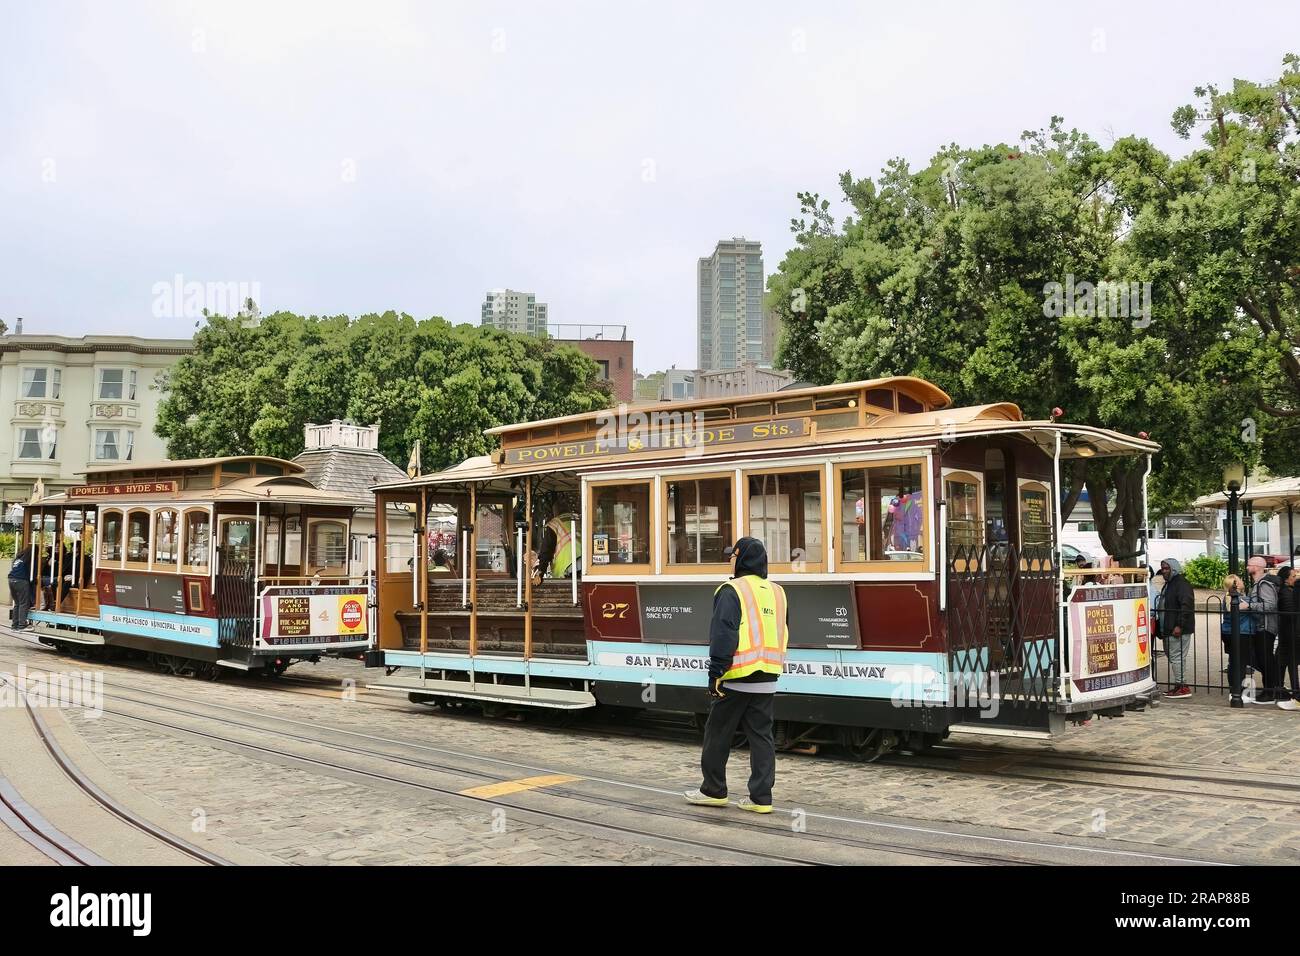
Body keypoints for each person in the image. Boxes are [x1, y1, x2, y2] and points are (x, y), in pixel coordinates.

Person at [684, 537, 789, 814]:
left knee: (718, 733)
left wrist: (715, 673)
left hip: (737, 676)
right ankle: (761, 798)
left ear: (741, 559)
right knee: (762, 737)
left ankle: (713, 790)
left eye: (732, 555)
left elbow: (724, 634)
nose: (729, 559)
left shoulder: (732, 590)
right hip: (768, 676)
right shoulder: (778, 592)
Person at [1157, 558, 1195, 698]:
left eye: (1167, 568)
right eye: (1163, 569)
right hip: (1169, 627)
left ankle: (1182, 686)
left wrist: (1179, 625)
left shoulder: (1181, 584)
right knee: (1174, 657)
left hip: (1177, 628)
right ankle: (1180, 684)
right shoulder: (1170, 584)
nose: (1164, 571)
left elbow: (1186, 605)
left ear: (1174, 568)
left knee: (1176, 656)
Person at [1246, 556, 1282, 704]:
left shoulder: (1264, 584)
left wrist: (1248, 606)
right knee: (1262, 659)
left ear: (1257, 567)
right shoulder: (1258, 584)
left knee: (1265, 659)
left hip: (1265, 626)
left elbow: (1270, 606)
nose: (1247, 567)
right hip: (1261, 626)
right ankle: (1270, 688)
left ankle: (1270, 691)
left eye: (1249, 565)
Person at [1222, 573, 1255, 705]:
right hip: (1242, 633)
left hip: (1228, 632)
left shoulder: (1226, 598)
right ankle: (1236, 692)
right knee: (1240, 663)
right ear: (1235, 584)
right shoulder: (1241, 599)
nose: (1241, 581)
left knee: (1234, 661)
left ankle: (1234, 690)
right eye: (1239, 580)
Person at [534, 503, 581, 582]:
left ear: (555, 512)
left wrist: (540, 572)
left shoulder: (554, 523)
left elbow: (546, 550)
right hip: (586, 562)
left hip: (568, 566)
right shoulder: (578, 519)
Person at [1275, 567, 1299, 710]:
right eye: (1293, 576)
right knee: (1284, 661)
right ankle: (1284, 690)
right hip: (1289, 633)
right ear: (1286, 579)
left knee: (1286, 661)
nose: (1295, 578)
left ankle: (1283, 689)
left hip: (1290, 633)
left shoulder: (1289, 591)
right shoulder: (1286, 592)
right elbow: (1290, 612)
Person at [8, 545, 33, 630]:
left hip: (11, 580)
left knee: (17, 603)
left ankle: (14, 625)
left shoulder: (18, 558)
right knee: (23, 603)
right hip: (21, 581)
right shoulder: (29, 559)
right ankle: (22, 625)